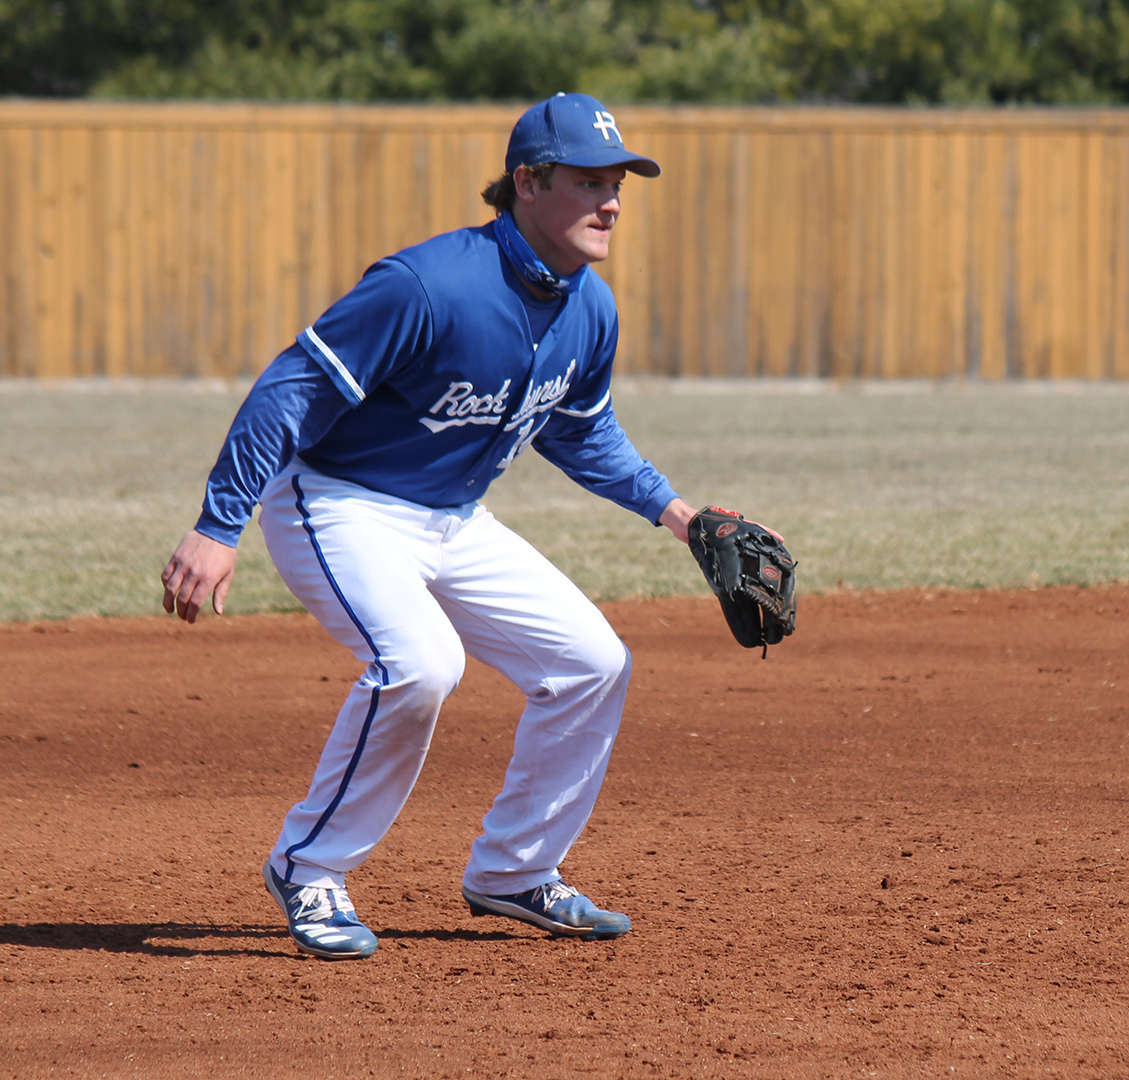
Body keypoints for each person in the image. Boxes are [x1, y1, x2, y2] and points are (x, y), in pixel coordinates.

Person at [159, 93, 714, 960]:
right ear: (527, 183)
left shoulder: (590, 307)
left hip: (454, 519)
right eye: (588, 182)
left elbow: (579, 428)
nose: (610, 202)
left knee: (593, 664)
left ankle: (516, 872)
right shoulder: (428, 285)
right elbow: (291, 389)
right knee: (419, 664)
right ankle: (309, 869)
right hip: (337, 502)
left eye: (618, 184)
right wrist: (217, 525)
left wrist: (677, 514)